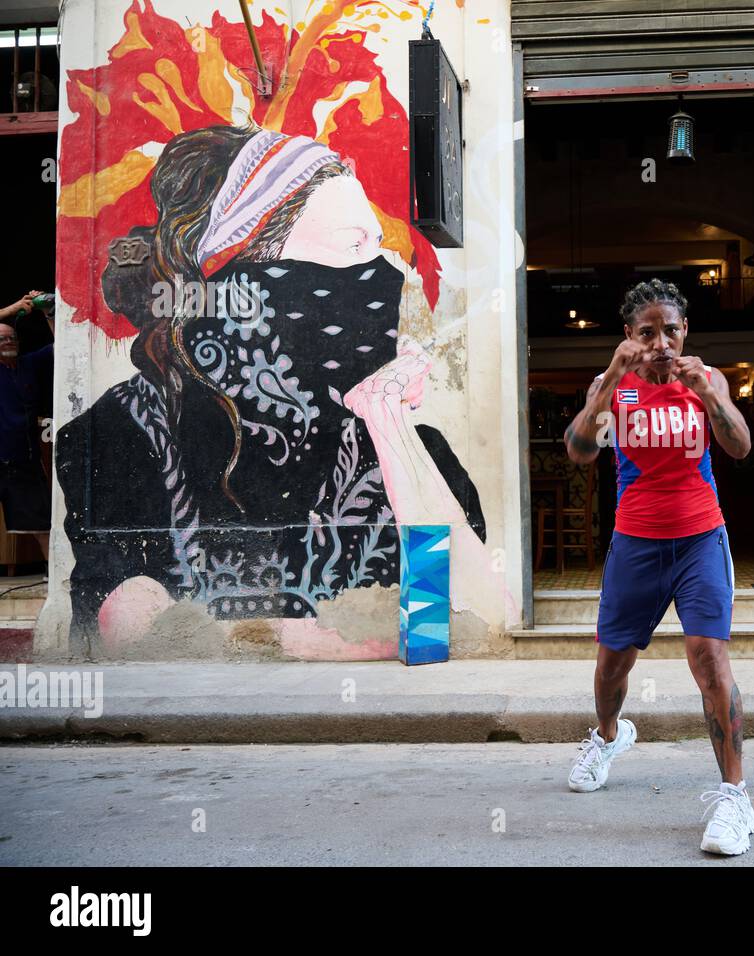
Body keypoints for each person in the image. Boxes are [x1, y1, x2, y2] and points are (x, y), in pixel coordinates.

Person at [55, 124, 501, 655]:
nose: (383, 272)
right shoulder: (122, 437)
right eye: (350, 246)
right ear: (238, 280)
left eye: (378, 247)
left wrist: (389, 425)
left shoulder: (411, 452)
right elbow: (129, 629)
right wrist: (319, 638)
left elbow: (449, 629)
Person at [562, 278, 754, 856]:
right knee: (611, 667)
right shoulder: (612, 386)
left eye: (671, 330)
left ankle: (735, 797)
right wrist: (607, 385)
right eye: (647, 332)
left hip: (700, 540)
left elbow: (741, 447)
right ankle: (608, 735)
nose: (661, 342)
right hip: (636, 544)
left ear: (685, 332)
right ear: (629, 336)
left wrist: (712, 396)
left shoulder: (707, 381)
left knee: (709, 659)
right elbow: (578, 448)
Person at [0, 291, 54, 560]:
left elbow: (63, 345)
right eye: (2, 339)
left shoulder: (28, 364)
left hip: (23, 462)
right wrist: (14, 307)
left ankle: (52, 580)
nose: (9, 342)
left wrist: (48, 311)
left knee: (42, 526)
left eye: (12, 338)